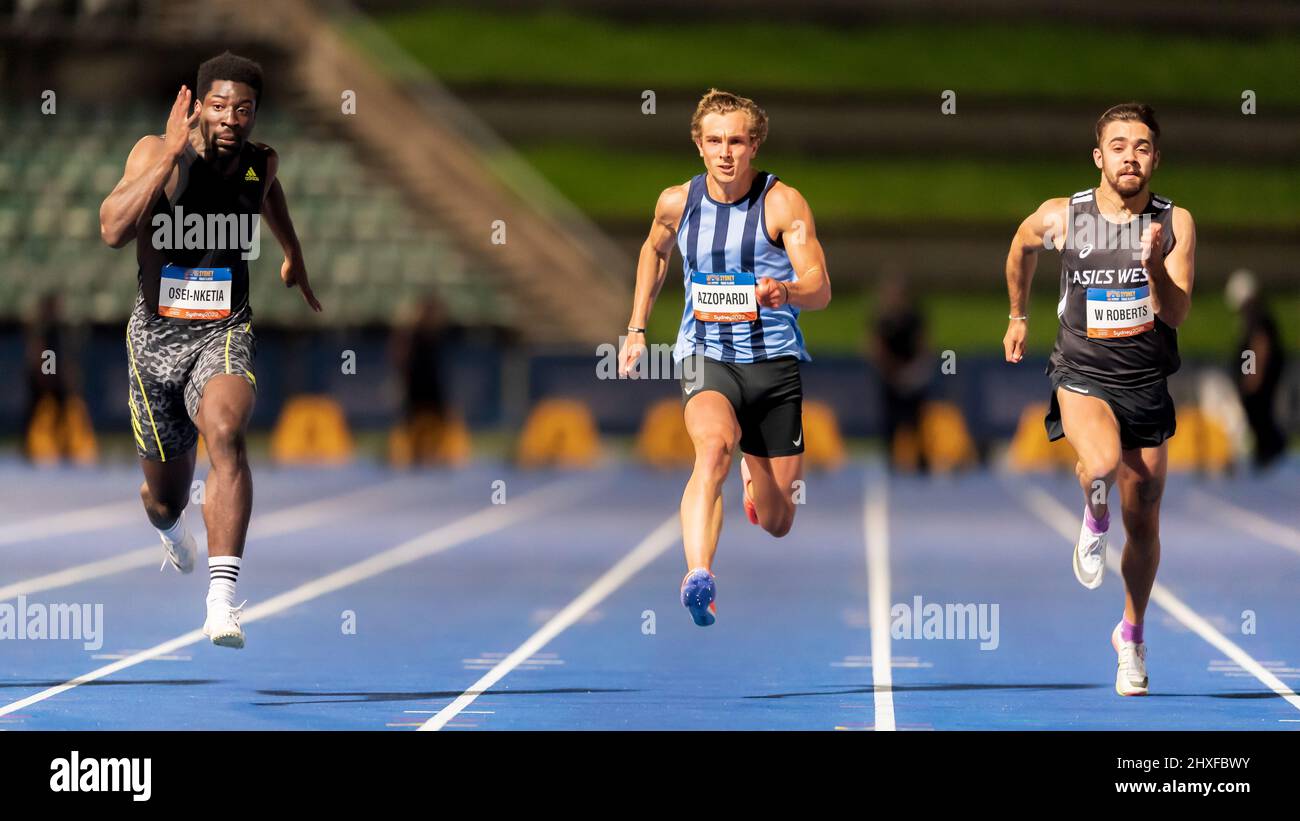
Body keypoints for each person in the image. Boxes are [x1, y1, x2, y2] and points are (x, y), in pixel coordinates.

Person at [98, 52, 321, 648]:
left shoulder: (259, 162)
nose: (231, 119)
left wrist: (292, 252)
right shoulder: (154, 151)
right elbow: (113, 230)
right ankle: (172, 531)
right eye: (219, 106)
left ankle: (222, 601)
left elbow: (268, 193)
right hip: (154, 340)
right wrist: (171, 155)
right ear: (199, 107)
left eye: (243, 109)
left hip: (223, 331)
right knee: (163, 497)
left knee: (225, 432)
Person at [618, 89, 831, 626]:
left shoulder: (783, 204)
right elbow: (654, 251)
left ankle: (756, 484)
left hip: (774, 365)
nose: (725, 152)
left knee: (779, 518)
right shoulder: (677, 202)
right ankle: (698, 574)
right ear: (698, 145)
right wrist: (636, 328)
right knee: (713, 449)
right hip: (705, 356)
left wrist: (786, 292)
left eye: (736, 140)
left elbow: (820, 287)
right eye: (714, 141)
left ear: (754, 143)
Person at [1003, 103, 1196, 695]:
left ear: (1155, 159)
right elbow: (1019, 248)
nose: (1129, 156)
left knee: (1146, 519)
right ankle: (1093, 514)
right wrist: (1017, 315)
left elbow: (1178, 311)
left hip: (1145, 383)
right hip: (1081, 370)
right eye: (1118, 146)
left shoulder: (1175, 222)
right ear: (1099, 157)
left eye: (1141, 147)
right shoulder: (1065, 215)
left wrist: (1154, 266)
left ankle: (1131, 637)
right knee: (1103, 464)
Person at [1225, 268, 1287, 470]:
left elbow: (1256, 346)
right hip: (1257, 375)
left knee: (1259, 411)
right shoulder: (1254, 315)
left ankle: (1270, 450)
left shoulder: (1255, 316)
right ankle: (1266, 451)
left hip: (1260, 378)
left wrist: (1251, 374)